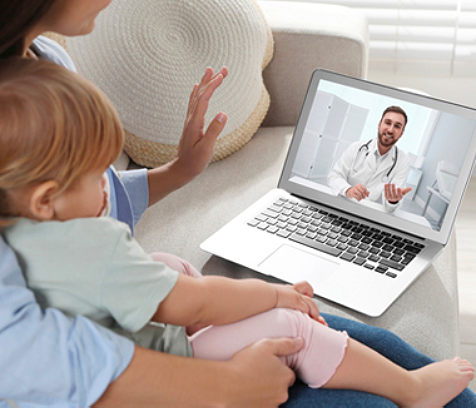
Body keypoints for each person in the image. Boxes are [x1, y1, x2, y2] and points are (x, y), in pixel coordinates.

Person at [0, 1, 475, 407]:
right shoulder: (86, 234)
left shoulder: (44, 69)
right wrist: (272, 300)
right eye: (96, 171)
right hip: (154, 358)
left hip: (133, 317)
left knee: (383, 345)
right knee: (301, 326)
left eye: (397, 127)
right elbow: (28, 350)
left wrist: (179, 171)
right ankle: (412, 390)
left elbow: (90, 206)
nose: (389, 131)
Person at [328, 106, 412, 212]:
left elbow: (391, 206)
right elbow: (334, 176)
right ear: (379, 124)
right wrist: (348, 189)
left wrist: (392, 201)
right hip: (343, 205)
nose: (390, 130)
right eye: (387, 123)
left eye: (397, 126)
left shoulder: (402, 161)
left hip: (370, 214)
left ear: (401, 133)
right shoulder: (356, 148)